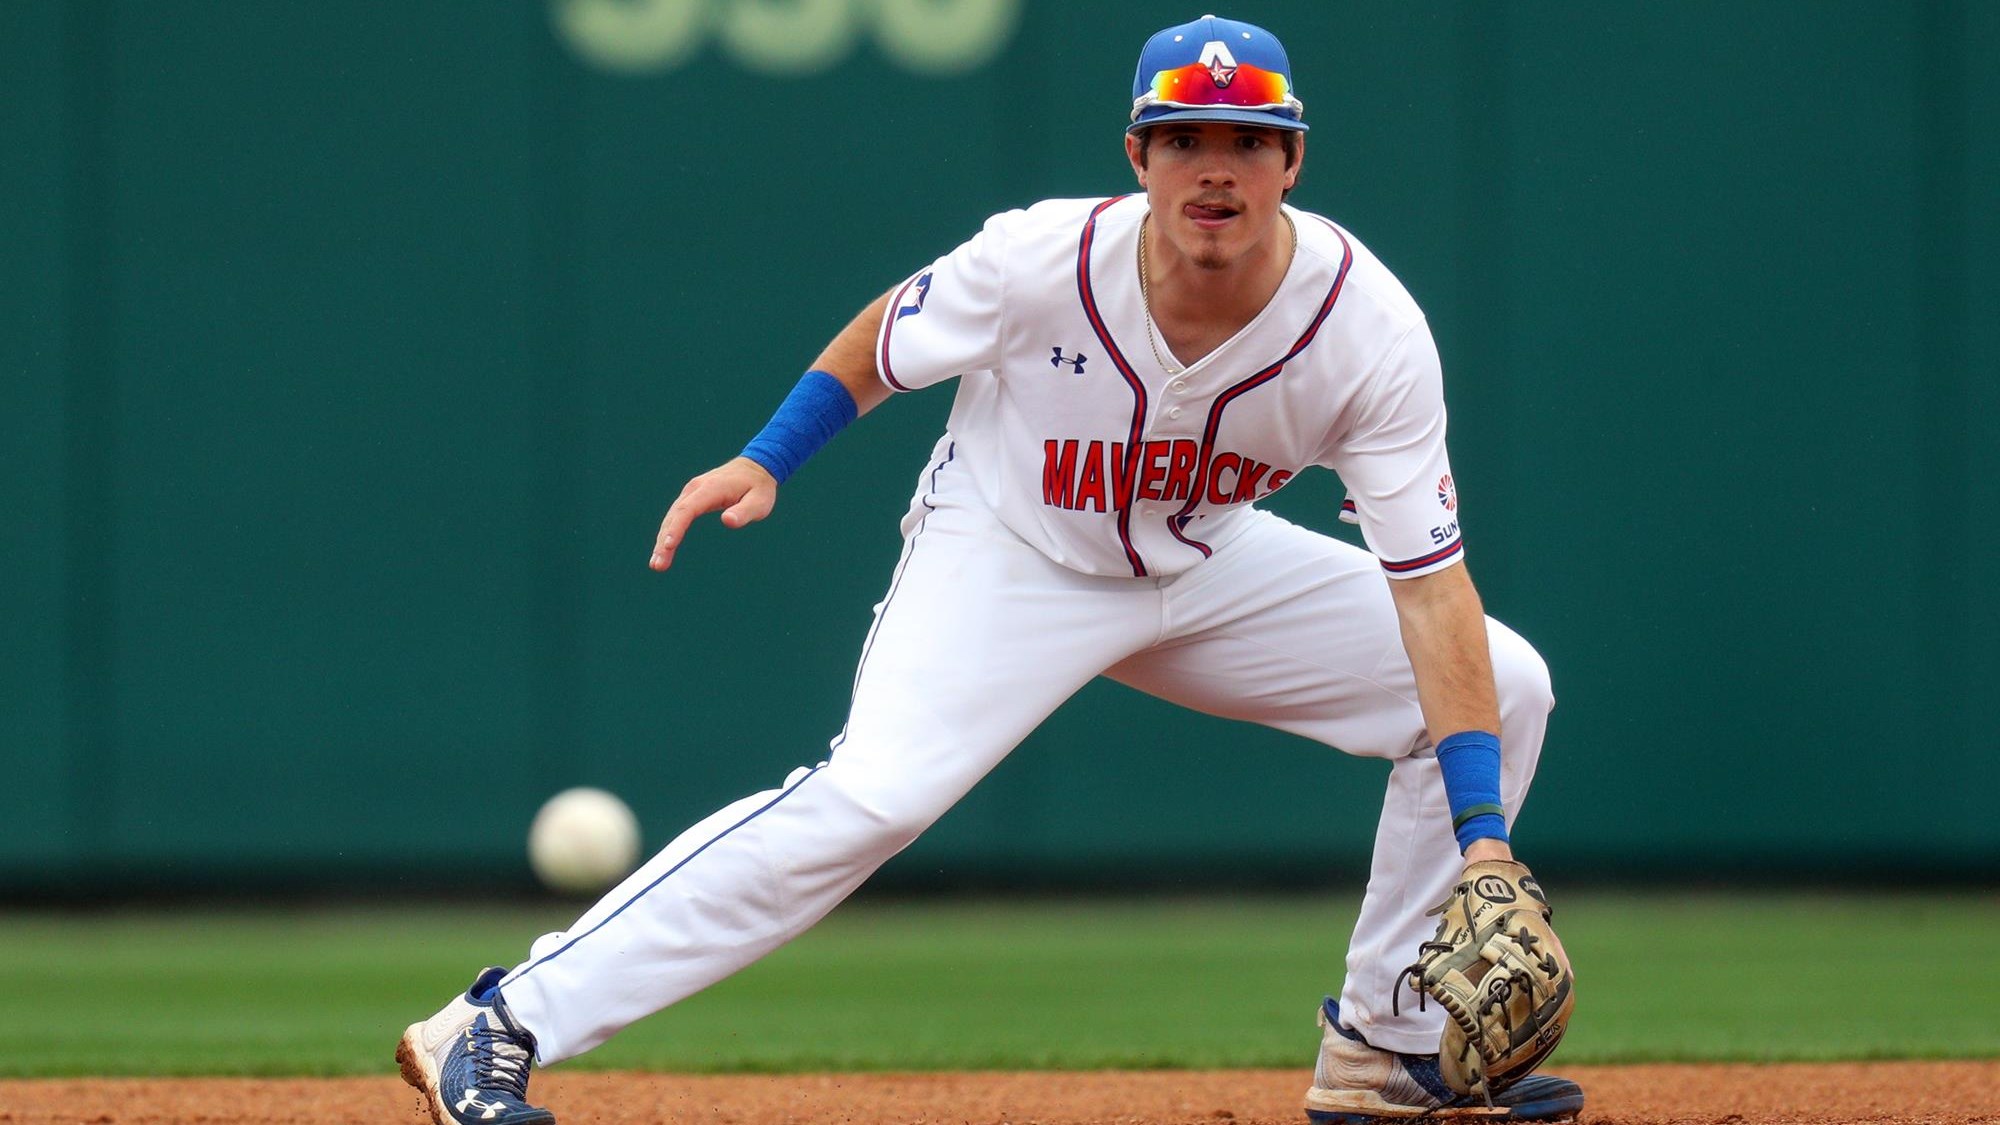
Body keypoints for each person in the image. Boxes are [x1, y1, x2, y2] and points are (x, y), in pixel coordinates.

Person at [397, 14, 1582, 1125]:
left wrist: (1481, 836)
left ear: (1291, 163)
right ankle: (495, 1023)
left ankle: (1381, 1044)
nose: (1213, 168)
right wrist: (770, 457)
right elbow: (884, 337)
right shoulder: (1038, 258)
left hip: (1205, 560)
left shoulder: (1364, 328)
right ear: (1137, 154)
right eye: (1183, 139)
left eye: (1246, 140)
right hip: (1010, 550)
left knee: (1504, 681)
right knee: (871, 800)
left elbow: (1427, 584)